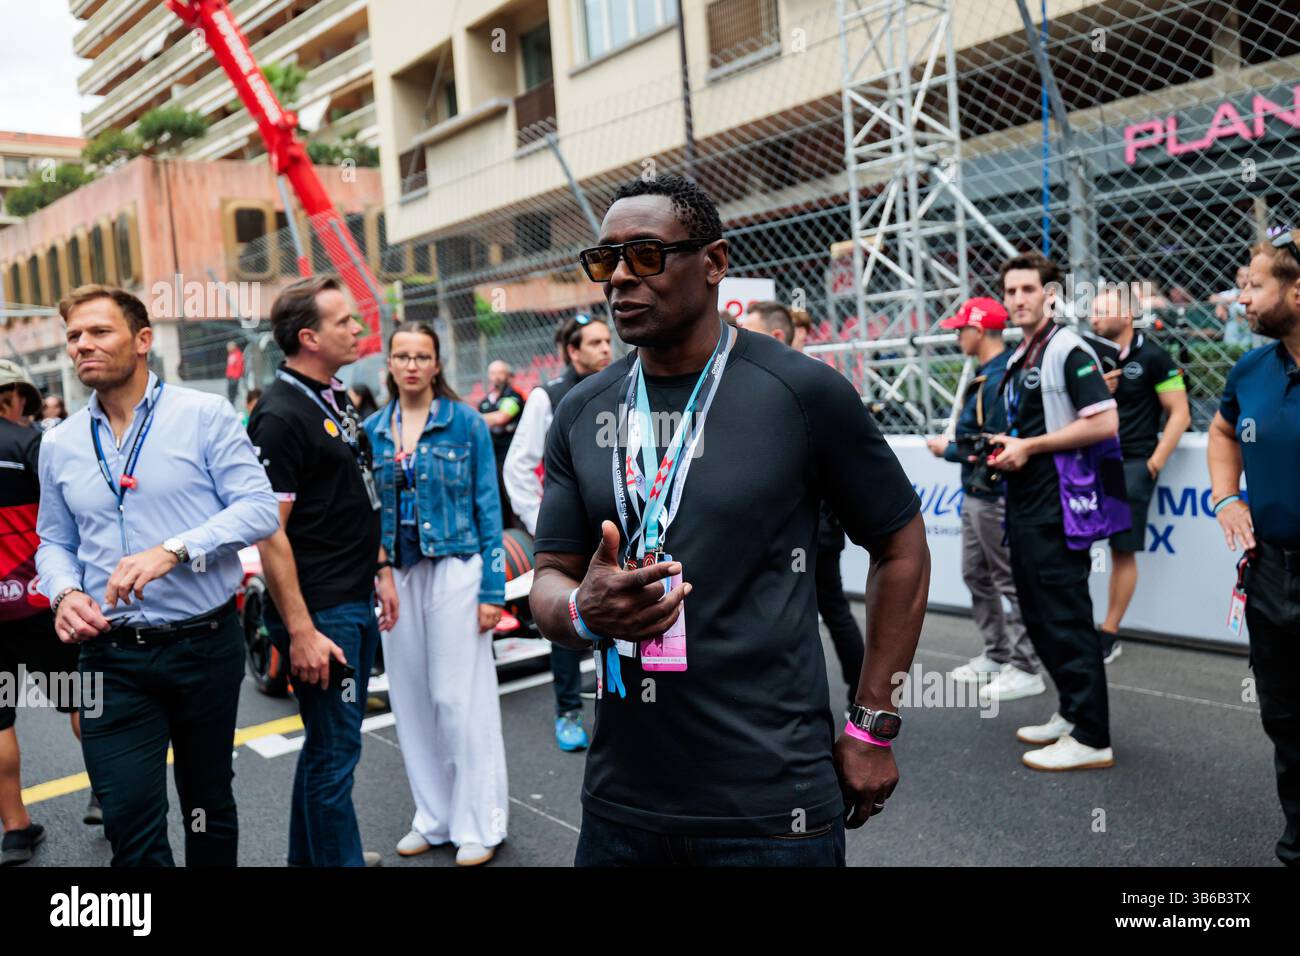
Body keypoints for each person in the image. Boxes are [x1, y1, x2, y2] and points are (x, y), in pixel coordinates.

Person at [530, 173, 929, 866]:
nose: (620, 277)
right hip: (623, 803)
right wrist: (584, 612)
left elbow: (900, 545)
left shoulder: (801, 392)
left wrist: (872, 726)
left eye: (647, 255)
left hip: (774, 804)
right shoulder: (582, 411)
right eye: (606, 260)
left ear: (713, 263)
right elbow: (550, 578)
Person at [34, 284, 279, 867]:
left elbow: (259, 508)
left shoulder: (205, 415)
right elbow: (53, 542)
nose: (82, 346)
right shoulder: (60, 443)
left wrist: (173, 549)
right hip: (109, 658)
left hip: (203, 645)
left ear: (143, 340)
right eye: (73, 336)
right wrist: (64, 592)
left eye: (99, 332)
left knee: (207, 804)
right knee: (128, 823)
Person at [247, 276, 400, 868]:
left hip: (351, 596)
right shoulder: (281, 415)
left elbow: (351, 495)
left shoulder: (332, 395)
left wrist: (381, 566)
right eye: (345, 322)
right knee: (336, 754)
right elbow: (270, 532)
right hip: (321, 612)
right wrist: (302, 630)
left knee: (326, 751)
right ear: (308, 337)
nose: (359, 329)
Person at [363, 323, 508, 866]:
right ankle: (434, 816)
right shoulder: (375, 429)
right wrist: (378, 570)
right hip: (397, 573)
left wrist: (492, 588)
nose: (411, 365)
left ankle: (481, 821)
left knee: (456, 697)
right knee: (411, 697)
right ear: (390, 363)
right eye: (402, 355)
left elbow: (489, 508)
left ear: (437, 363)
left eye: (422, 356)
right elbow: (370, 512)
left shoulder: (464, 422)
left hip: (457, 565)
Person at [987, 253, 1124, 772]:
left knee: (1065, 618)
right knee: (1040, 615)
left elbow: (1104, 422)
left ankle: (1092, 736)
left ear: (1049, 294)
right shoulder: (1026, 351)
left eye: (1028, 289)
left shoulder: (1066, 346)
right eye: (1011, 291)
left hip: (1060, 507)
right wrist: (1010, 446)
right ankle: (1072, 712)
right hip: (1027, 502)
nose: (1018, 299)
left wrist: (1032, 446)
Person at [1207, 227, 1300, 867]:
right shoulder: (1251, 368)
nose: (1242, 298)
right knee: (1287, 720)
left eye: (1255, 285)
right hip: (1272, 575)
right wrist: (1225, 497)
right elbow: (1220, 431)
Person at [742, 300, 866, 713]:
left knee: (828, 609)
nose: (738, 338)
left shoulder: (814, 384)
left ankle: (861, 701)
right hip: (776, 530)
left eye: (749, 329)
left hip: (815, 529)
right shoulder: (755, 383)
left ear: (776, 337)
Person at [925, 298, 1043, 700]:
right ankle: (998, 652)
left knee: (1009, 581)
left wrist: (949, 449)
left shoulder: (999, 376)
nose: (958, 335)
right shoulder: (990, 372)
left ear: (978, 331)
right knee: (975, 574)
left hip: (993, 494)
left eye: (962, 329)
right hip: (977, 492)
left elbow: (992, 445)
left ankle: (1026, 665)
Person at [504, 314, 612, 752]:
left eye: (609, 341)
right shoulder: (547, 397)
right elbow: (518, 468)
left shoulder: (625, 386)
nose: (607, 348)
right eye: (595, 343)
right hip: (571, 539)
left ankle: (616, 709)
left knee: (618, 621)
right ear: (573, 350)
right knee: (571, 619)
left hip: (614, 532)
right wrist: (546, 526)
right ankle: (568, 711)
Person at [0, 362, 91, 866]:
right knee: (82, 698)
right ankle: (107, 794)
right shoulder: (35, 443)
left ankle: (15, 830)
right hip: (38, 599)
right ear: (15, 394)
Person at [1088, 286, 1190, 661]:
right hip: (1085, 465)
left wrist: (1153, 462)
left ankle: (1109, 632)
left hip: (1129, 466)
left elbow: (1180, 412)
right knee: (1075, 545)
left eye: (1102, 310)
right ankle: (1078, 625)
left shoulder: (1155, 357)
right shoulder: (1088, 358)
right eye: (1092, 310)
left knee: (1121, 551)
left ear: (1127, 315)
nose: (1093, 317)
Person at [478, 360, 525, 528]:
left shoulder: (513, 396)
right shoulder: (484, 402)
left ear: (508, 375)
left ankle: (521, 534)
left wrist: (474, 419)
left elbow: (502, 417)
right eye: (493, 373)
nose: (496, 376)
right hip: (492, 456)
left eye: (500, 372)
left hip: (512, 455)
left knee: (512, 496)